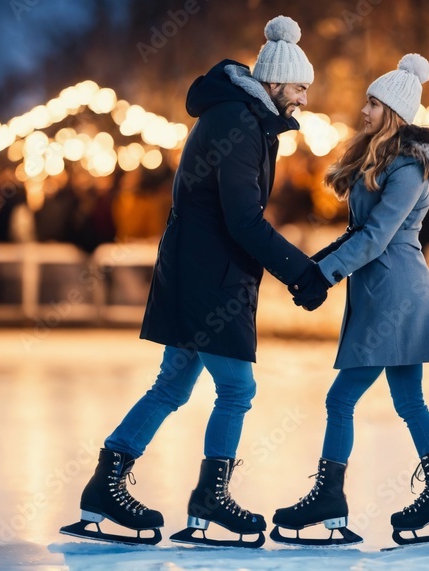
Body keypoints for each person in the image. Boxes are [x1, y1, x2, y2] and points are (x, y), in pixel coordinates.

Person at [60, 15, 331, 549]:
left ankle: (104, 488)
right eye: (299, 87)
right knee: (236, 389)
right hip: (211, 279)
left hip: (198, 271)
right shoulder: (238, 122)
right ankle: (211, 498)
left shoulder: (240, 117)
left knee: (172, 385)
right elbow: (242, 219)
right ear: (274, 84)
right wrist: (302, 273)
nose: (303, 98)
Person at [272, 54, 429, 547]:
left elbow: (376, 236)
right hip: (386, 288)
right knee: (410, 401)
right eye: (367, 100)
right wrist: (317, 266)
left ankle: (330, 498)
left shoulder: (409, 167)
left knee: (341, 398)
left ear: (393, 111)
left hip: (395, 293)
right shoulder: (383, 160)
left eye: (373, 103)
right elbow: (359, 231)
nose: (364, 109)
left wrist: (324, 275)